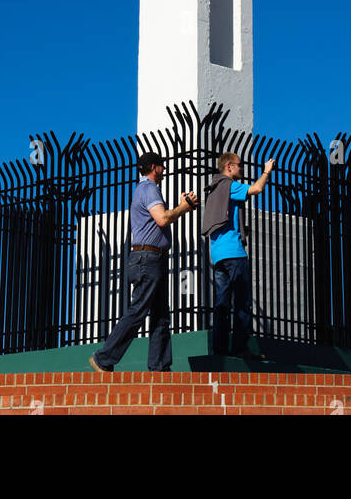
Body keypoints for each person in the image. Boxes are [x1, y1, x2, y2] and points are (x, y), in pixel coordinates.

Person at [89, 152, 197, 373]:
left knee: (160, 316)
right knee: (139, 310)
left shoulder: (143, 190)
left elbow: (160, 217)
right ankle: (104, 358)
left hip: (150, 258)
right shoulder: (149, 189)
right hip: (149, 259)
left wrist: (178, 205)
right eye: (162, 167)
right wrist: (183, 207)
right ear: (155, 168)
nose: (164, 171)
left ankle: (159, 368)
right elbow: (162, 218)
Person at [202, 152, 274, 357]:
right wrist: (266, 172)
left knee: (222, 304)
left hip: (217, 255)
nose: (242, 169)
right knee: (242, 302)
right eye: (239, 166)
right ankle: (240, 348)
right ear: (229, 167)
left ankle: (220, 349)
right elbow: (257, 188)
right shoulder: (229, 186)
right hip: (234, 252)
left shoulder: (213, 189)